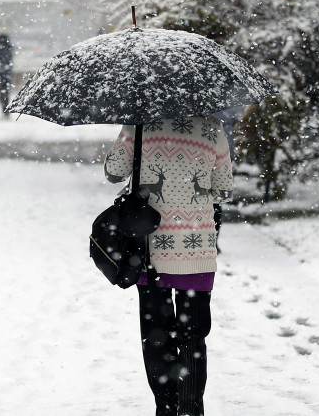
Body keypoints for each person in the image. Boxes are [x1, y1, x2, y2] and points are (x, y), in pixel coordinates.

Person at [104, 116, 233, 416]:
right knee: (192, 335)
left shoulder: (138, 123)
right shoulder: (212, 126)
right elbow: (223, 190)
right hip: (196, 251)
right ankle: (189, 408)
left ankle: (166, 407)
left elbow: (113, 173)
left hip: (149, 252)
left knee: (156, 335)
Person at [0, 34, 14, 115]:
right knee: (5, 93)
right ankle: (6, 109)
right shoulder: (8, 48)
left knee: (2, 93)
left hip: (1, 75)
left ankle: (4, 109)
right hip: (7, 74)